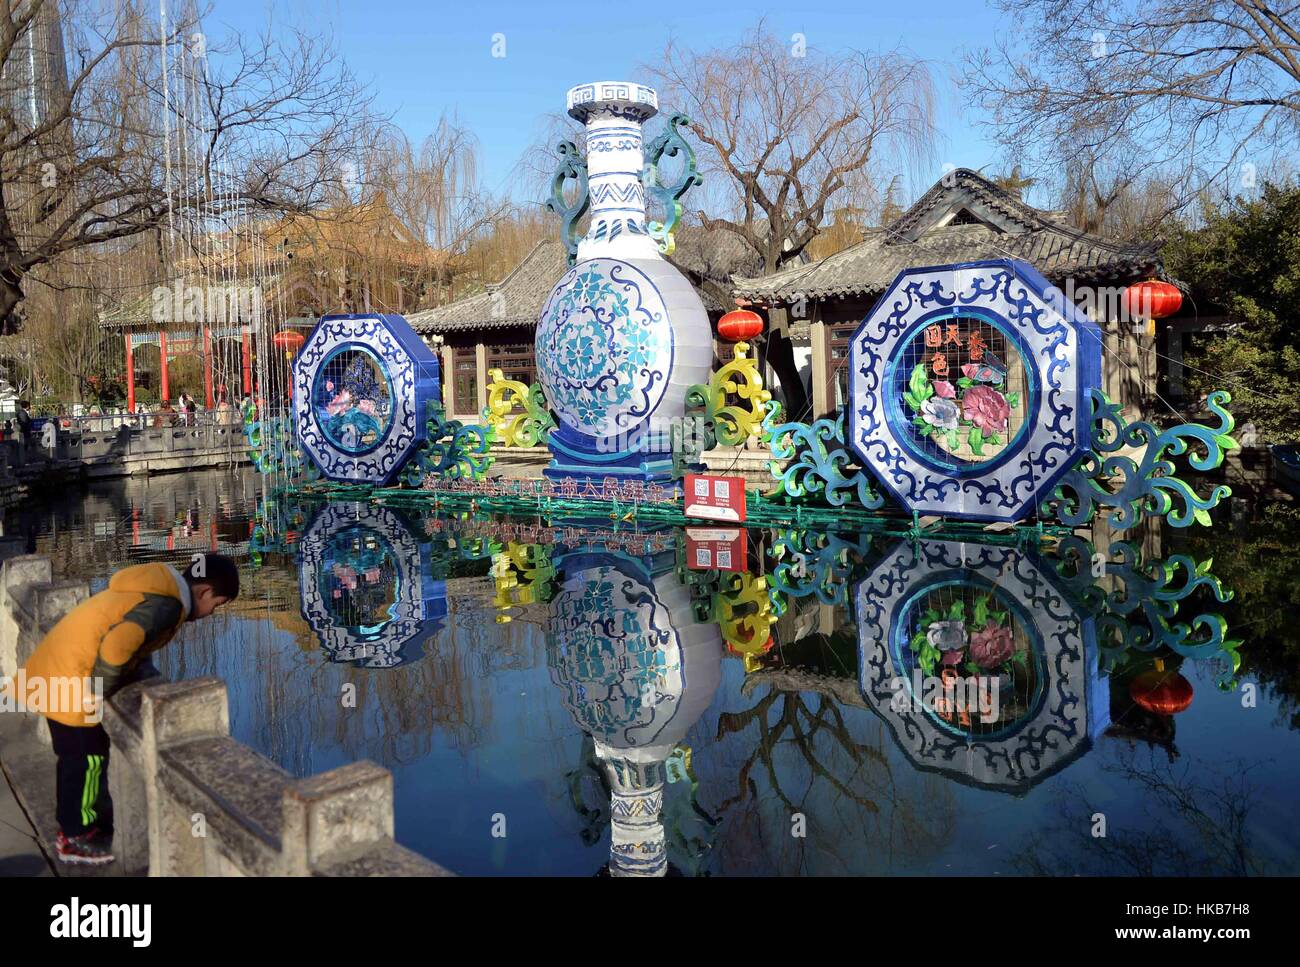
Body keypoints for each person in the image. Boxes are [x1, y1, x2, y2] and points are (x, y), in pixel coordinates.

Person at [5, 554, 239, 865]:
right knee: (85, 759)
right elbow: (117, 646)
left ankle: (79, 829)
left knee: (81, 755)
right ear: (204, 591)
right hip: (73, 681)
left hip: (58, 667)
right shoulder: (167, 606)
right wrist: (98, 691)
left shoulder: (156, 587)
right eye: (217, 605)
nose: (212, 613)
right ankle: (75, 837)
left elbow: (127, 631)